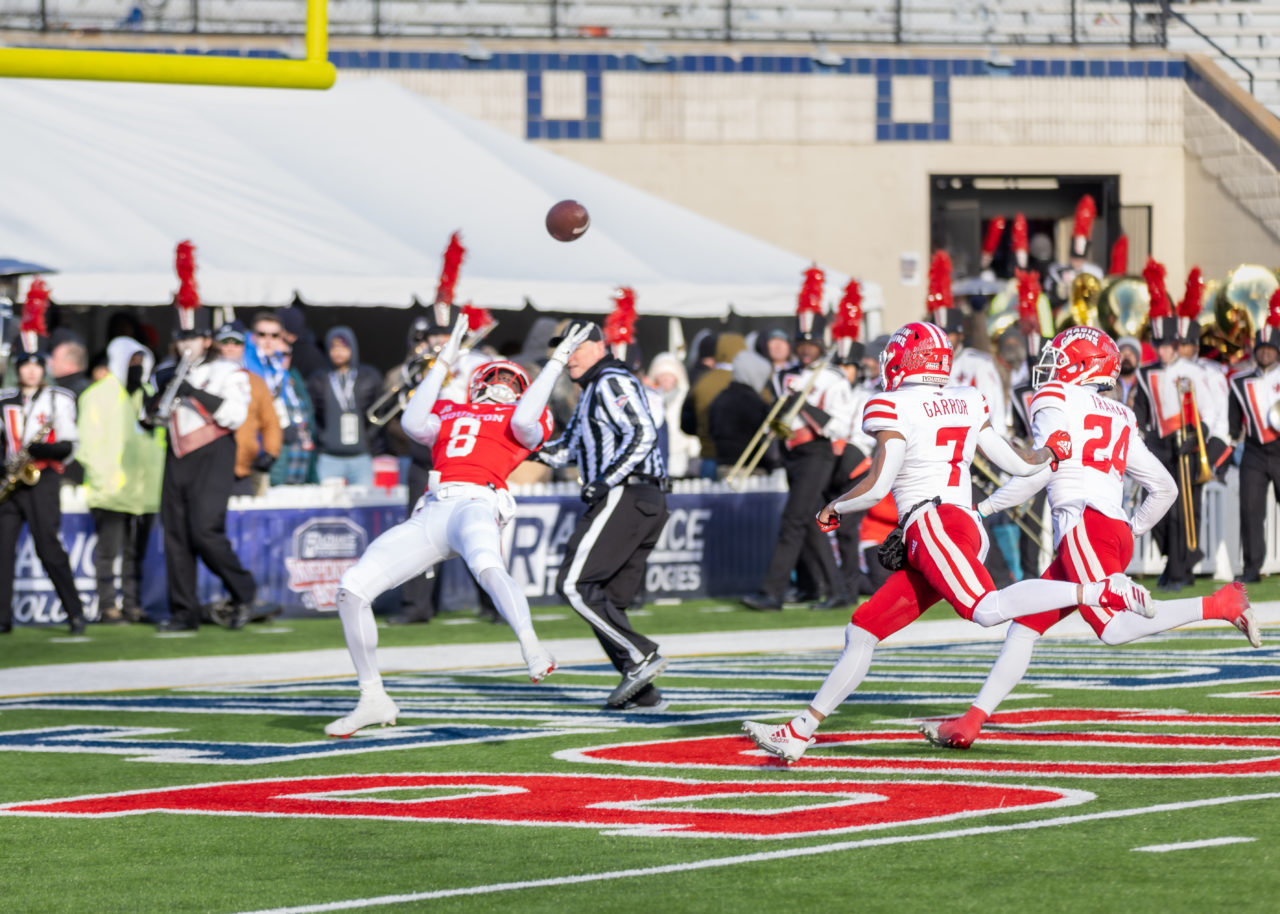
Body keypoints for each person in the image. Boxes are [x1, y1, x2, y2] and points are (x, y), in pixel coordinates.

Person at [741, 321, 1152, 764]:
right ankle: (799, 732)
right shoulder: (967, 400)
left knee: (986, 609)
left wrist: (835, 507)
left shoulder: (890, 404)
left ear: (903, 360)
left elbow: (879, 486)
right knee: (862, 629)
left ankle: (1099, 590)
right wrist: (1049, 453)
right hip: (959, 523)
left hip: (933, 522)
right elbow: (1016, 461)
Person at [922, 326, 1259, 750]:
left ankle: (1217, 604)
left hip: (1083, 524)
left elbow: (1042, 470)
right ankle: (971, 721)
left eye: (1059, 358)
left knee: (1114, 629)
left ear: (1082, 364)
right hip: (1108, 528)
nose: (1050, 367)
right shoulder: (1120, 412)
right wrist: (1129, 528)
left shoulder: (1053, 399)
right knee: (1024, 628)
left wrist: (984, 508)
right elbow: (1166, 488)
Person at [324, 317, 582, 737]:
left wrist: (555, 363)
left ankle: (531, 645)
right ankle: (372, 696)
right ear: (476, 382)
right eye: (493, 378)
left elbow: (523, 420)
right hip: (432, 509)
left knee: (487, 565)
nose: (499, 384)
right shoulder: (449, 408)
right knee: (351, 589)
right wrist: (444, 360)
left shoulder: (525, 420)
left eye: (510, 381)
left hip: (476, 503)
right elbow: (410, 423)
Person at [538, 320, 671, 711]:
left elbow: (642, 432)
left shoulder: (611, 380)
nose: (566, 356)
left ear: (598, 345)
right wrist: (517, 446)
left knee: (575, 585)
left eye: (574, 347)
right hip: (639, 497)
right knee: (606, 599)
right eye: (561, 348)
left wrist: (606, 480)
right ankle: (643, 693)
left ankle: (642, 656)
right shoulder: (592, 390)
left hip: (627, 493)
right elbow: (566, 450)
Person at [146, 308, 257, 632]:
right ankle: (184, 612)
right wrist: (153, 397)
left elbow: (235, 416)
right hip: (177, 456)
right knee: (176, 535)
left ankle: (244, 591)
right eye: (181, 339)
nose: (187, 346)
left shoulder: (228, 371)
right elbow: (149, 420)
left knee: (205, 532)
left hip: (214, 453)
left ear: (207, 340)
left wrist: (193, 392)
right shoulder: (167, 371)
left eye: (193, 338)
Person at [742, 315, 856, 610]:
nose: (805, 350)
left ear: (821, 345)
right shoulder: (784, 376)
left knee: (792, 521)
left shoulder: (833, 378)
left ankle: (772, 592)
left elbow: (840, 427)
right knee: (807, 520)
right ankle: (837, 590)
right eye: (801, 344)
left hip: (818, 452)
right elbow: (780, 415)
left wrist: (803, 405)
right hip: (791, 452)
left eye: (811, 344)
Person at [77, 336, 164, 624]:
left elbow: (159, 439)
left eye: (141, 361)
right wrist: (106, 478)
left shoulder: (149, 394)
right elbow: (87, 443)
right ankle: (107, 606)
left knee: (134, 553)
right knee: (108, 552)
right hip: (112, 489)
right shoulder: (97, 395)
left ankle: (132, 604)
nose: (137, 367)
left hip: (145, 489)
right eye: (132, 361)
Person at [0, 345, 84, 634]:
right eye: (25, 365)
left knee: (48, 547)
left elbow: (68, 445)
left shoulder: (58, 399)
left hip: (42, 478)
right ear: (18, 369)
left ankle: (75, 613)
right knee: (2, 551)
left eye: (37, 365)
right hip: (11, 482)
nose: (32, 370)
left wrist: (41, 448)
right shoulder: (4, 399)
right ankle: (2, 618)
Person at [1229, 306, 1280, 583]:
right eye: (1261, 348)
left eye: (1271, 348)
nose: (1266, 353)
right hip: (1254, 451)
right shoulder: (1239, 382)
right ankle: (1252, 568)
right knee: (1250, 509)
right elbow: (1233, 424)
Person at [308, 326, 383, 487]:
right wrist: (322, 439)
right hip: (329, 457)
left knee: (362, 506)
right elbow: (312, 414)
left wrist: (369, 439)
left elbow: (380, 412)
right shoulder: (319, 379)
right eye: (333, 347)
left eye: (343, 347)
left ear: (352, 348)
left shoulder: (369, 377)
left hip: (361, 457)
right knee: (327, 507)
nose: (338, 352)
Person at [216, 321, 282, 497]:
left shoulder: (256, 382)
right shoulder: (205, 376)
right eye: (225, 342)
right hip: (209, 468)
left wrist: (271, 452)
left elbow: (270, 422)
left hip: (242, 469)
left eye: (236, 343)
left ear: (244, 347)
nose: (230, 347)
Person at [681, 333, 744, 479]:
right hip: (740, 459)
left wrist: (704, 433)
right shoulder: (748, 380)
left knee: (708, 500)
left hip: (708, 456)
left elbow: (686, 423)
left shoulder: (702, 381)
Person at [647, 351, 698, 478]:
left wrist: (694, 454)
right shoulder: (649, 398)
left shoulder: (684, 397)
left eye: (669, 376)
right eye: (662, 376)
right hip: (657, 454)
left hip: (680, 454)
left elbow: (691, 426)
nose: (665, 380)